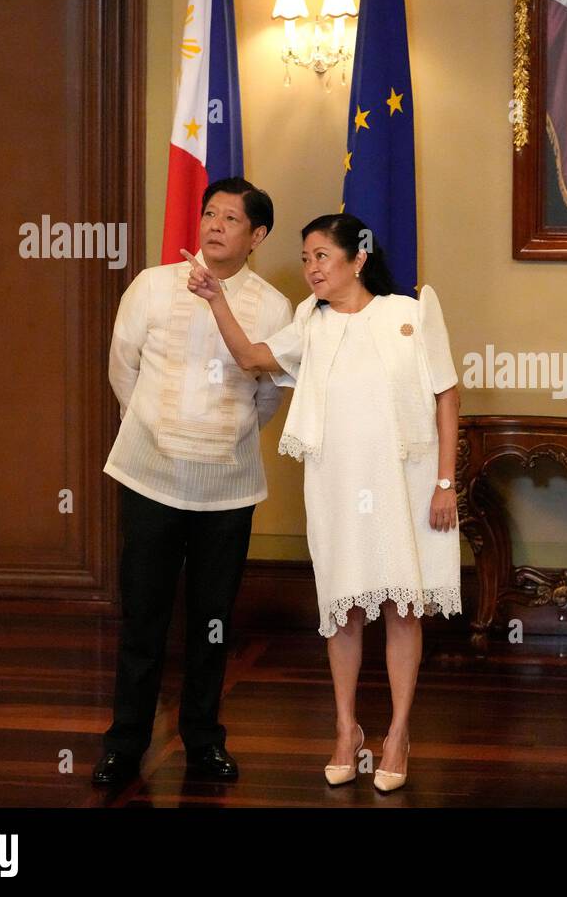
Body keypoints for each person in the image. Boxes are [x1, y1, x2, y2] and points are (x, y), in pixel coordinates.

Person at [188, 213, 461, 794]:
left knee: (402, 607)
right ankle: (346, 730)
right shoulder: (309, 322)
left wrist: (445, 483)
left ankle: (399, 734)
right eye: (306, 257)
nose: (311, 268)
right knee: (343, 607)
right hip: (337, 484)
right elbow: (252, 358)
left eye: (321, 256)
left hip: (404, 483)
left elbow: (445, 395)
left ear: (357, 259)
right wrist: (216, 301)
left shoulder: (408, 314)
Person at [92, 177, 293, 786]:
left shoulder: (273, 306)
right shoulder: (152, 286)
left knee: (213, 619)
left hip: (226, 485)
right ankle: (125, 742)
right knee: (144, 616)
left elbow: (269, 394)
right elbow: (121, 366)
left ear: (256, 236)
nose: (214, 225)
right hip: (150, 475)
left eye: (231, 219)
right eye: (209, 213)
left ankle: (203, 738)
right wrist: (155, 427)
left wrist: (220, 435)